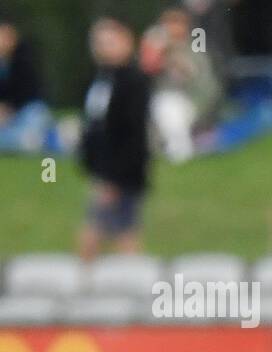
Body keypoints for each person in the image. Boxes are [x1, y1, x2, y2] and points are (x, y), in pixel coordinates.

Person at [78, 17, 152, 260]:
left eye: (110, 41)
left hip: (121, 175)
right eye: (99, 42)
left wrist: (114, 178)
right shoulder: (101, 79)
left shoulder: (134, 81)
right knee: (99, 235)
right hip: (103, 172)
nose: (103, 48)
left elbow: (132, 134)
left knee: (119, 236)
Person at [140, 6, 222, 163]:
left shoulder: (197, 44)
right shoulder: (157, 48)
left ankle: (180, 149)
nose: (171, 27)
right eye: (167, 23)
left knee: (169, 106)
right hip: (158, 106)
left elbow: (206, 83)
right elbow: (145, 73)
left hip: (193, 102)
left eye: (176, 22)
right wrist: (154, 52)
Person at [0, 15, 52, 153]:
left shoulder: (25, 61)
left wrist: (10, 109)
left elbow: (29, 92)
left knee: (34, 119)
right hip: (5, 118)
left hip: (26, 110)